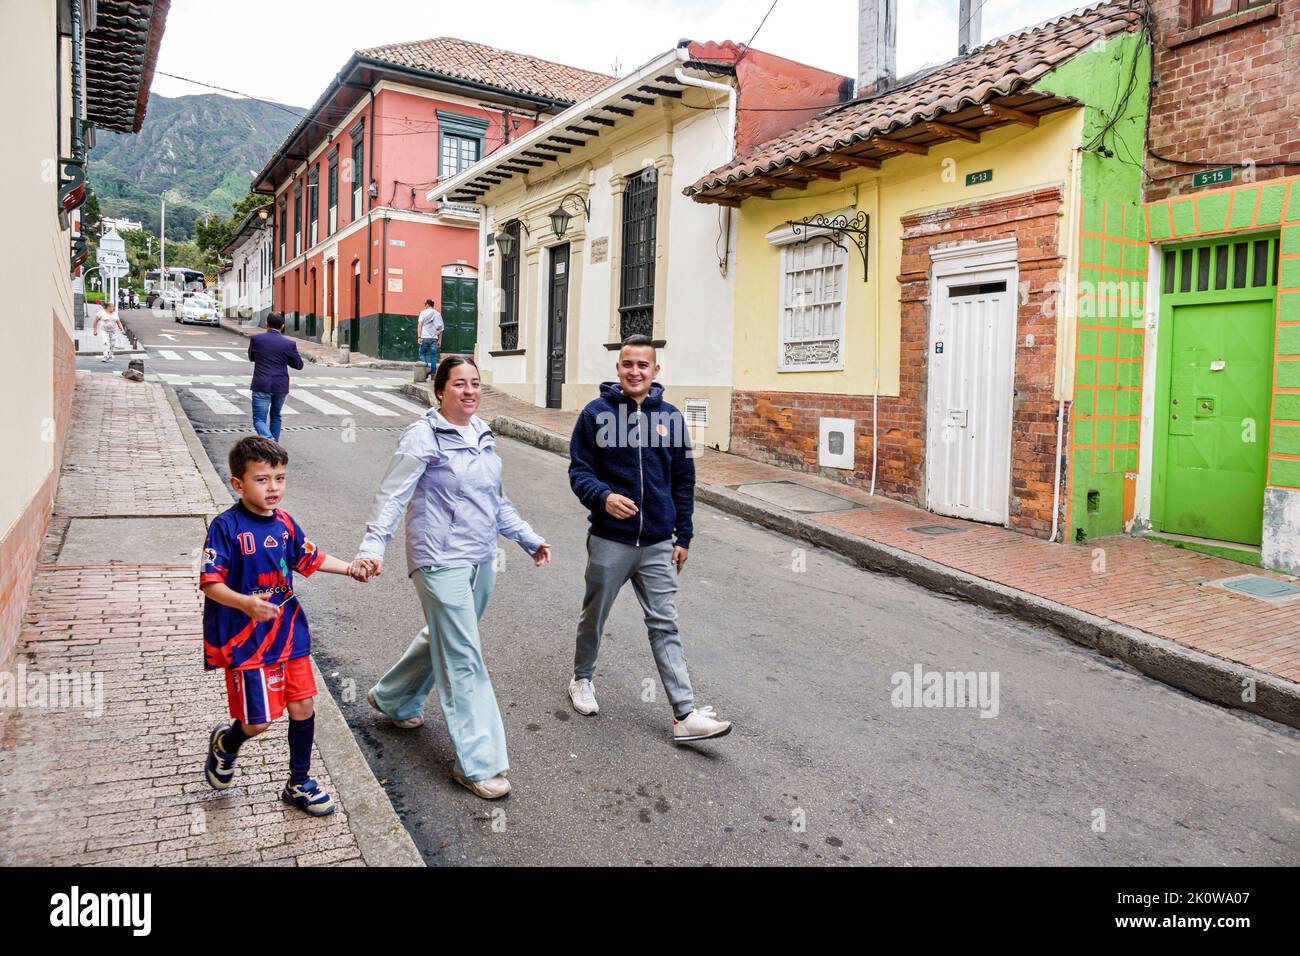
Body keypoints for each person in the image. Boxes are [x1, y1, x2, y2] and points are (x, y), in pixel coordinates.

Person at [354, 355, 550, 800]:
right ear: (440, 389)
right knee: (463, 654)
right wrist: (372, 547)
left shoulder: (481, 433)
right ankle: (477, 762)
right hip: (438, 559)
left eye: (475, 384)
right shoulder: (421, 437)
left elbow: (495, 501)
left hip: (481, 558)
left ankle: (394, 698)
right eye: (459, 384)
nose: (469, 391)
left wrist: (526, 537)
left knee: (443, 636)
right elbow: (391, 497)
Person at [566, 334, 733, 743]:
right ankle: (582, 679)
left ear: (655, 371)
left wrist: (684, 536)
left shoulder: (672, 419)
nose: (634, 371)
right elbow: (579, 472)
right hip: (611, 539)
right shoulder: (595, 414)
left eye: (643, 365)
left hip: (658, 542)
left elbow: (683, 482)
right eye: (627, 364)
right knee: (595, 616)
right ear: (617, 368)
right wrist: (603, 497)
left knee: (665, 624)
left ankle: (684, 714)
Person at [200, 436, 372, 815]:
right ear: (237, 484)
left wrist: (351, 569)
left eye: (279, 478)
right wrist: (245, 603)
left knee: (303, 707)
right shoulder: (225, 528)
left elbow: (309, 557)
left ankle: (299, 782)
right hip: (245, 642)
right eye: (262, 480)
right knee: (257, 723)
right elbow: (211, 584)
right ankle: (228, 744)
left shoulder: (284, 524)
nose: (273, 487)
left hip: (288, 635)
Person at [247, 312, 303, 441]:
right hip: (280, 385)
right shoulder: (289, 344)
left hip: (261, 384)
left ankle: (270, 440)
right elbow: (299, 365)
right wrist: (285, 359)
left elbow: (252, 357)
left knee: (259, 419)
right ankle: (274, 446)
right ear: (282, 326)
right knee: (276, 416)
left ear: (266, 324)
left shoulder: (256, 339)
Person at [417, 298, 444, 378]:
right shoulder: (437, 314)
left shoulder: (423, 312)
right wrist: (439, 340)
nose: (425, 306)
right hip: (434, 338)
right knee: (433, 356)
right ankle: (433, 374)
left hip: (425, 337)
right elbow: (441, 328)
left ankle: (426, 368)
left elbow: (420, 324)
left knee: (422, 353)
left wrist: (419, 337)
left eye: (425, 304)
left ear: (427, 304)